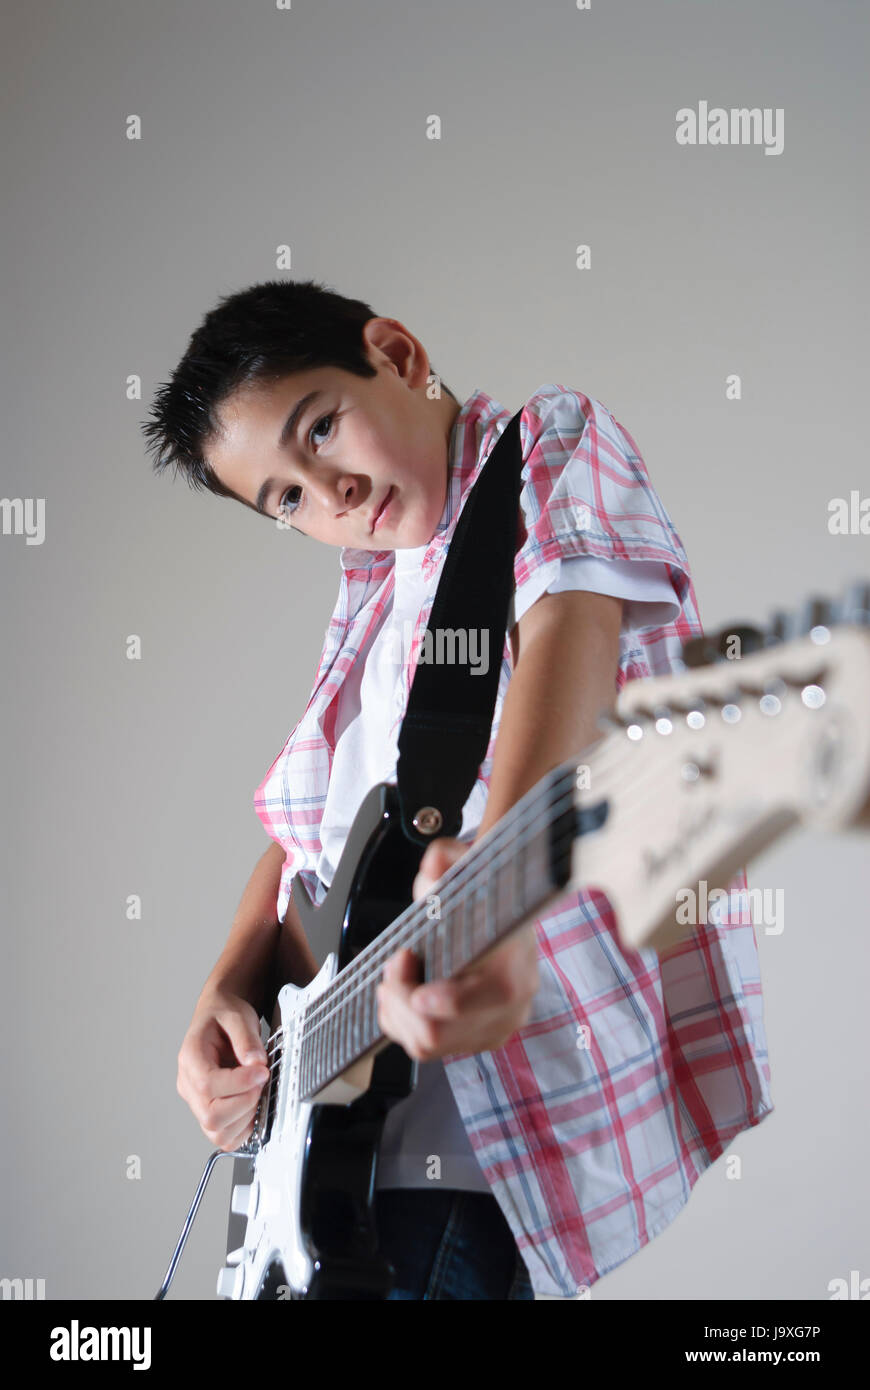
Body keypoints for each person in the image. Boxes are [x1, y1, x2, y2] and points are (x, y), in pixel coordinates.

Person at [141, 277, 773, 1300]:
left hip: (471, 1149)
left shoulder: (543, 446)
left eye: (324, 429)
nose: (332, 493)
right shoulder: (374, 599)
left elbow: (570, 618)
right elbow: (310, 848)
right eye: (288, 498)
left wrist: (503, 887)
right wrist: (227, 985)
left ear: (395, 353)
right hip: (325, 1168)